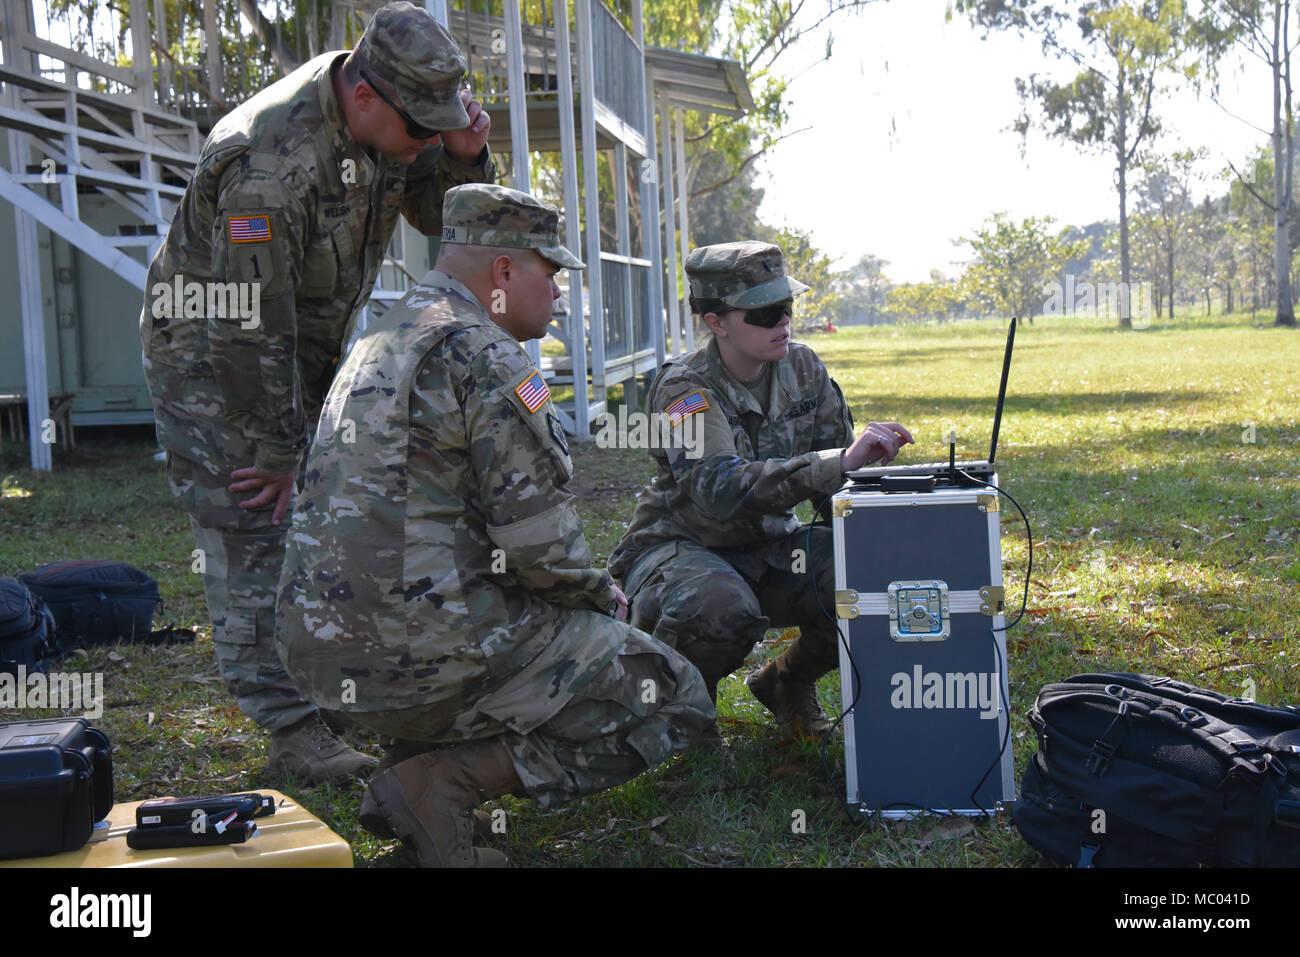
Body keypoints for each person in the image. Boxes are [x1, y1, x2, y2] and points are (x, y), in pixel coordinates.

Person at [274, 183, 716, 867]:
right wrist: (605, 599)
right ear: (505, 272)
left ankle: (418, 779)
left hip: (321, 655)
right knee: (674, 692)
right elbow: (539, 546)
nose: (561, 293)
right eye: (552, 272)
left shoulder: (376, 339)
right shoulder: (486, 355)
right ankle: (443, 782)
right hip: (416, 656)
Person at [140, 1, 497, 783]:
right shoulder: (268, 166)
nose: (427, 144)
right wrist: (273, 449)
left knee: (325, 513)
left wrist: (465, 156)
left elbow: (448, 220)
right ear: (366, 98)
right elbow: (245, 328)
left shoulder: (391, 109)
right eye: (424, 132)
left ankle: (327, 687)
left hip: (301, 340)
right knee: (252, 522)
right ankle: (292, 729)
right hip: (213, 353)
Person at [607, 241, 914, 736]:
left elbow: (839, 495)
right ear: (716, 322)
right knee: (720, 608)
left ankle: (786, 684)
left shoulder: (804, 370)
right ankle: (687, 717)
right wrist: (836, 463)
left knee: (875, 575)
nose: (782, 323)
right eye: (765, 312)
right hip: (683, 550)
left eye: (786, 307)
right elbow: (718, 487)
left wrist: (880, 513)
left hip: (769, 548)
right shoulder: (682, 390)